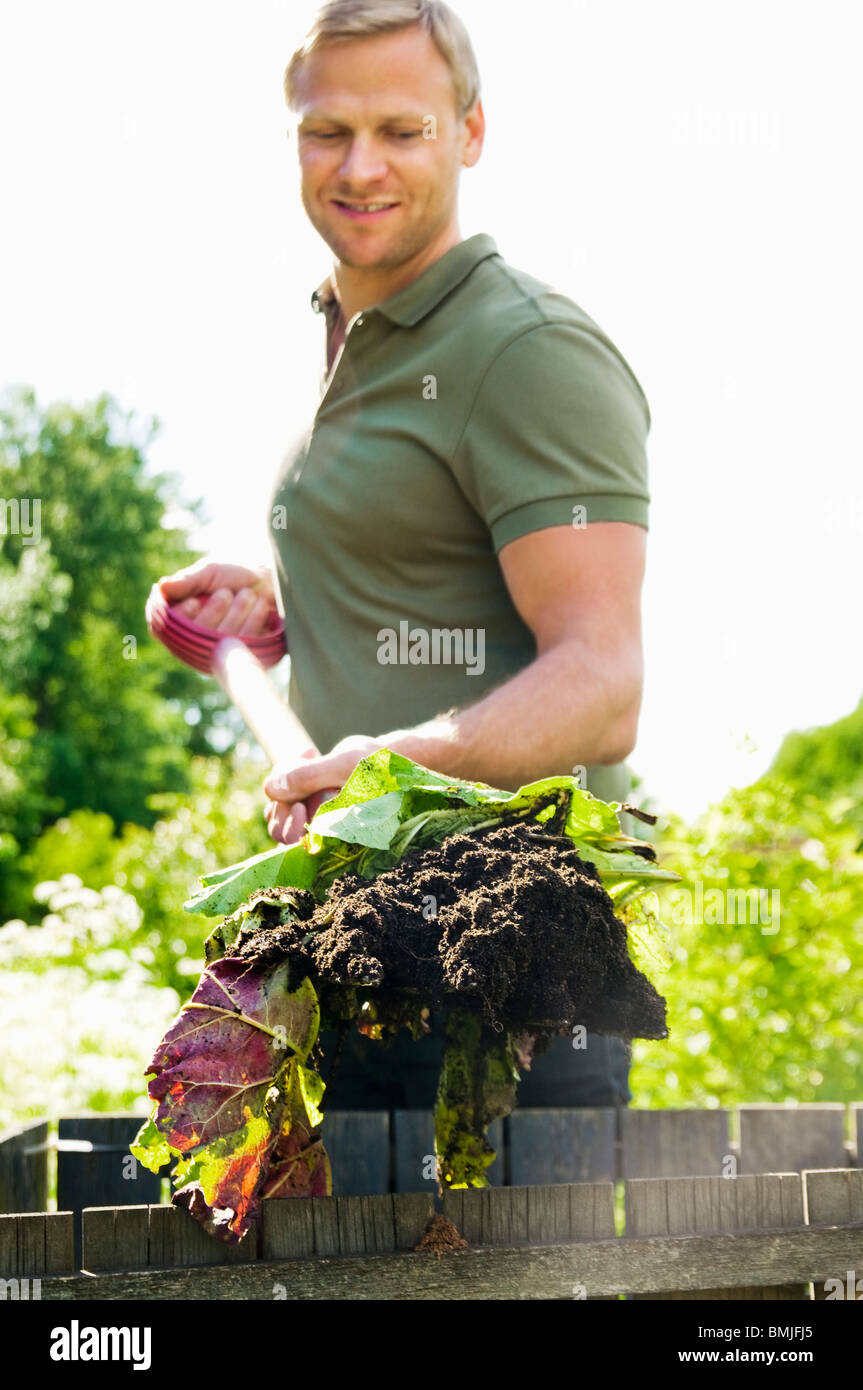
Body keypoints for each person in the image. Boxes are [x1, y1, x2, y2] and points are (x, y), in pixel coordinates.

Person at [159, 0, 651, 1111]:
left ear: (470, 132)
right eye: (326, 131)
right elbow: (419, 570)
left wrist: (387, 765)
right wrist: (274, 602)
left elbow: (603, 680)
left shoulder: (526, 349)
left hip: (506, 969)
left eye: (402, 129)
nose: (360, 165)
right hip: (357, 945)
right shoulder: (354, 340)